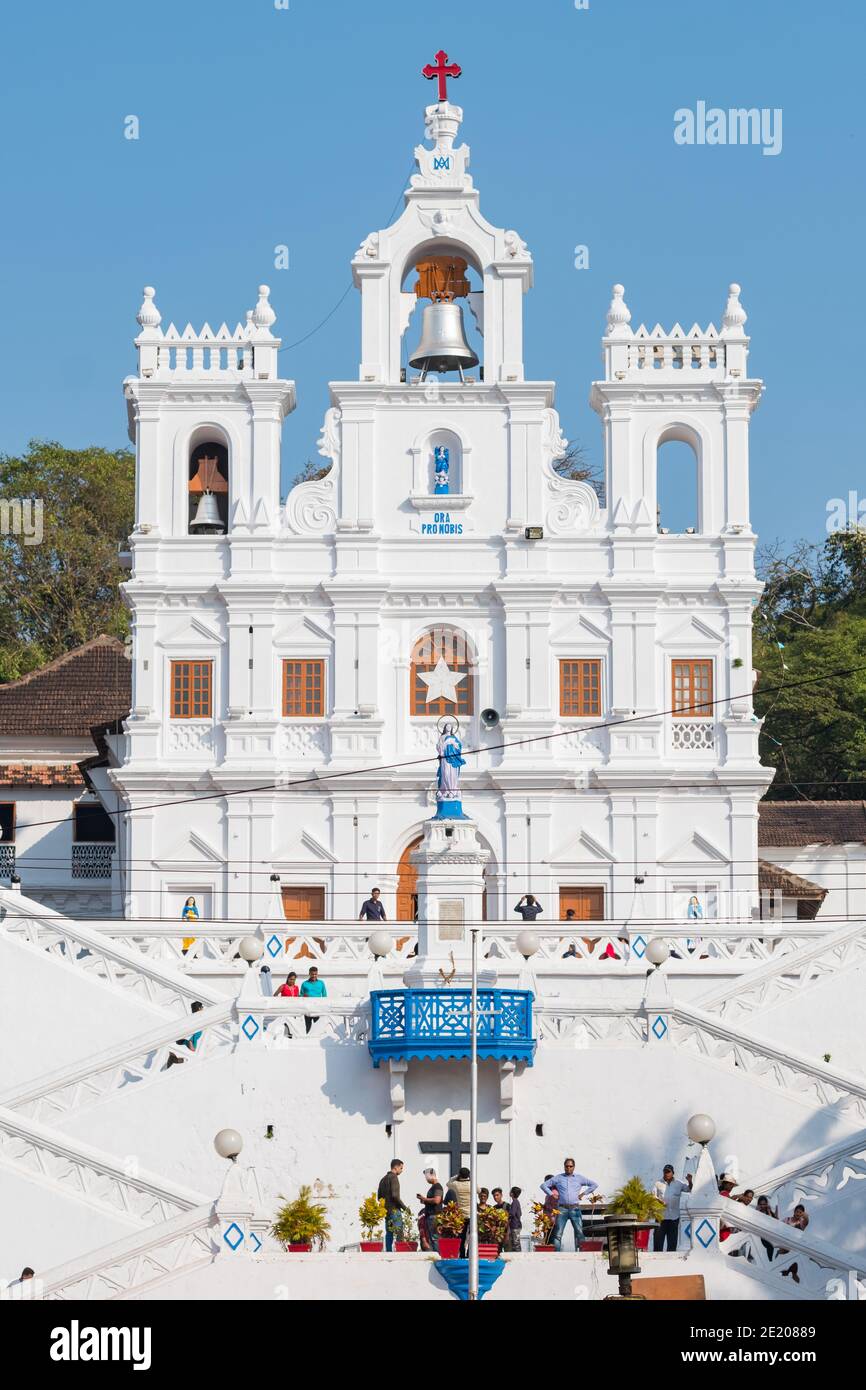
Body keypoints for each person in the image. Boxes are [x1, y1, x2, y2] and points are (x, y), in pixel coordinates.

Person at [541, 1159, 598, 1251]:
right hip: (562, 1209)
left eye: (570, 1166)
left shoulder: (579, 1178)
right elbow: (543, 1185)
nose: (568, 1168)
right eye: (567, 1166)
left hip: (575, 1209)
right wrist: (551, 1194)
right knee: (558, 1234)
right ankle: (557, 1255)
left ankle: (584, 1254)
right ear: (564, 1166)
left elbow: (594, 1185)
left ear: (574, 1167)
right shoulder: (558, 1178)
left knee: (579, 1233)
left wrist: (584, 1193)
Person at [652, 1164, 692, 1251]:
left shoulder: (679, 1183)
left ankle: (670, 1263)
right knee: (658, 1244)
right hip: (661, 1217)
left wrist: (690, 1181)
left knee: (672, 1244)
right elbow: (653, 1197)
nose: (666, 1173)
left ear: (672, 1173)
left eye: (668, 1172)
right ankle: (657, 1262)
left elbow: (689, 1189)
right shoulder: (658, 1183)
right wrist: (660, 1201)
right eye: (665, 1171)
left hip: (674, 1218)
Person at [377, 1159, 410, 1253]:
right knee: (399, 1232)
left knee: (389, 1233)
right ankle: (401, 1253)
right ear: (395, 1167)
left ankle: (388, 1252)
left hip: (386, 1211)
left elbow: (379, 1198)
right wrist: (405, 1208)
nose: (402, 1170)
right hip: (395, 1210)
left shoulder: (383, 1179)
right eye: (401, 1168)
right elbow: (395, 1195)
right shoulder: (394, 1177)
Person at [165, 1001, 205, 1068]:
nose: (203, 1008)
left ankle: (179, 1050)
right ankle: (182, 1048)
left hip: (192, 1035)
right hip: (195, 1034)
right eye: (202, 1007)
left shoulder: (193, 1017)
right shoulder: (199, 1016)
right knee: (193, 1045)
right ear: (199, 1008)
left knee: (191, 1044)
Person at [447, 1166, 473, 1256]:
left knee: (461, 1236)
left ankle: (462, 1254)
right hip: (471, 1214)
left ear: (460, 1175)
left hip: (461, 1214)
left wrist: (456, 1176)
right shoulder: (472, 1184)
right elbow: (479, 1190)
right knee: (471, 1235)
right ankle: (470, 1254)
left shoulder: (456, 1184)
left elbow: (448, 1183)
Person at [780, 1203, 809, 1283]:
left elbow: (806, 1220)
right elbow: (779, 1227)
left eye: (800, 1213)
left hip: (793, 1248)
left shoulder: (801, 1223)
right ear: (794, 1211)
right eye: (797, 1212)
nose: (798, 1214)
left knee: (794, 1265)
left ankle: (792, 1275)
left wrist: (804, 1215)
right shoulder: (787, 1219)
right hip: (783, 1244)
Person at [417, 1167, 443, 1251]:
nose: (426, 1179)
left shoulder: (437, 1187)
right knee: (432, 1239)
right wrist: (424, 1201)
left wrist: (425, 1199)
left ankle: (437, 1256)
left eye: (426, 1176)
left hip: (434, 1216)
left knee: (435, 1238)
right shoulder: (433, 1187)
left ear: (432, 1175)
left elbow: (437, 1200)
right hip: (430, 1216)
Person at [300, 966, 327, 1034]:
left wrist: (323, 1007)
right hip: (307, 1008)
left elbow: (324, 995)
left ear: (317, 974)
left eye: (315, 974)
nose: (314, 976)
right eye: (312, 974)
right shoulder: (304, 983)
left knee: (318, 1027)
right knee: (308, 1027)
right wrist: (303, 996)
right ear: (309, 974)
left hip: (318, 1008)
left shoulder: (321, 983)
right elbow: (300, 995)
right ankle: (308, 1042)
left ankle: (317, 1042)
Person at [542, 1174, 559, 1244]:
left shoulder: (554, 1193)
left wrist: (552, 1218)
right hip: (547, 1220)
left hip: (552, 1220)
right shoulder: (549, 1193)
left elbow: (555, 1207)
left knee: (550, 1239)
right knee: (547, 1239)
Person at [508, 1186, 523, 1252]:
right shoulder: (516, 1202)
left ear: (512, 1193)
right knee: (515, 1241)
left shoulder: (514, 1202)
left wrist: (507, 1215)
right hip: (517, 1224)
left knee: (515, 1242)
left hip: (515, 1225)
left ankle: (518, 1255)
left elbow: (512, 1213)